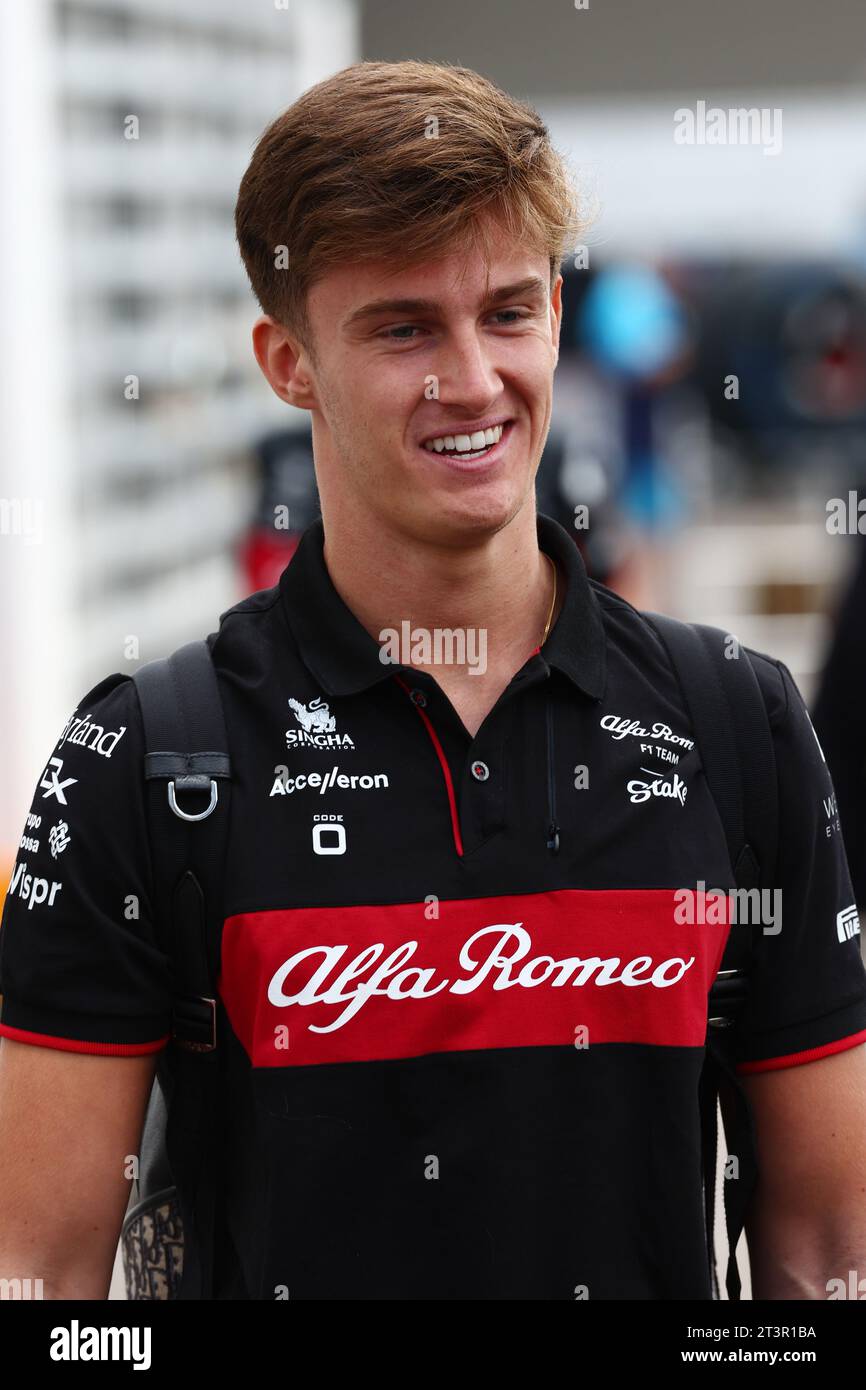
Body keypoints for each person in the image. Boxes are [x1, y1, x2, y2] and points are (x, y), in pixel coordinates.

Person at [1, 59, 865, 1302]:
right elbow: (42, 1283)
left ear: (557, 321)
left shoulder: (735, 720)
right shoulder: (145, 758)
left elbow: (825, 1260)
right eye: (404, 327)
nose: (471, 380)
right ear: (286, 361)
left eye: (508, 311)